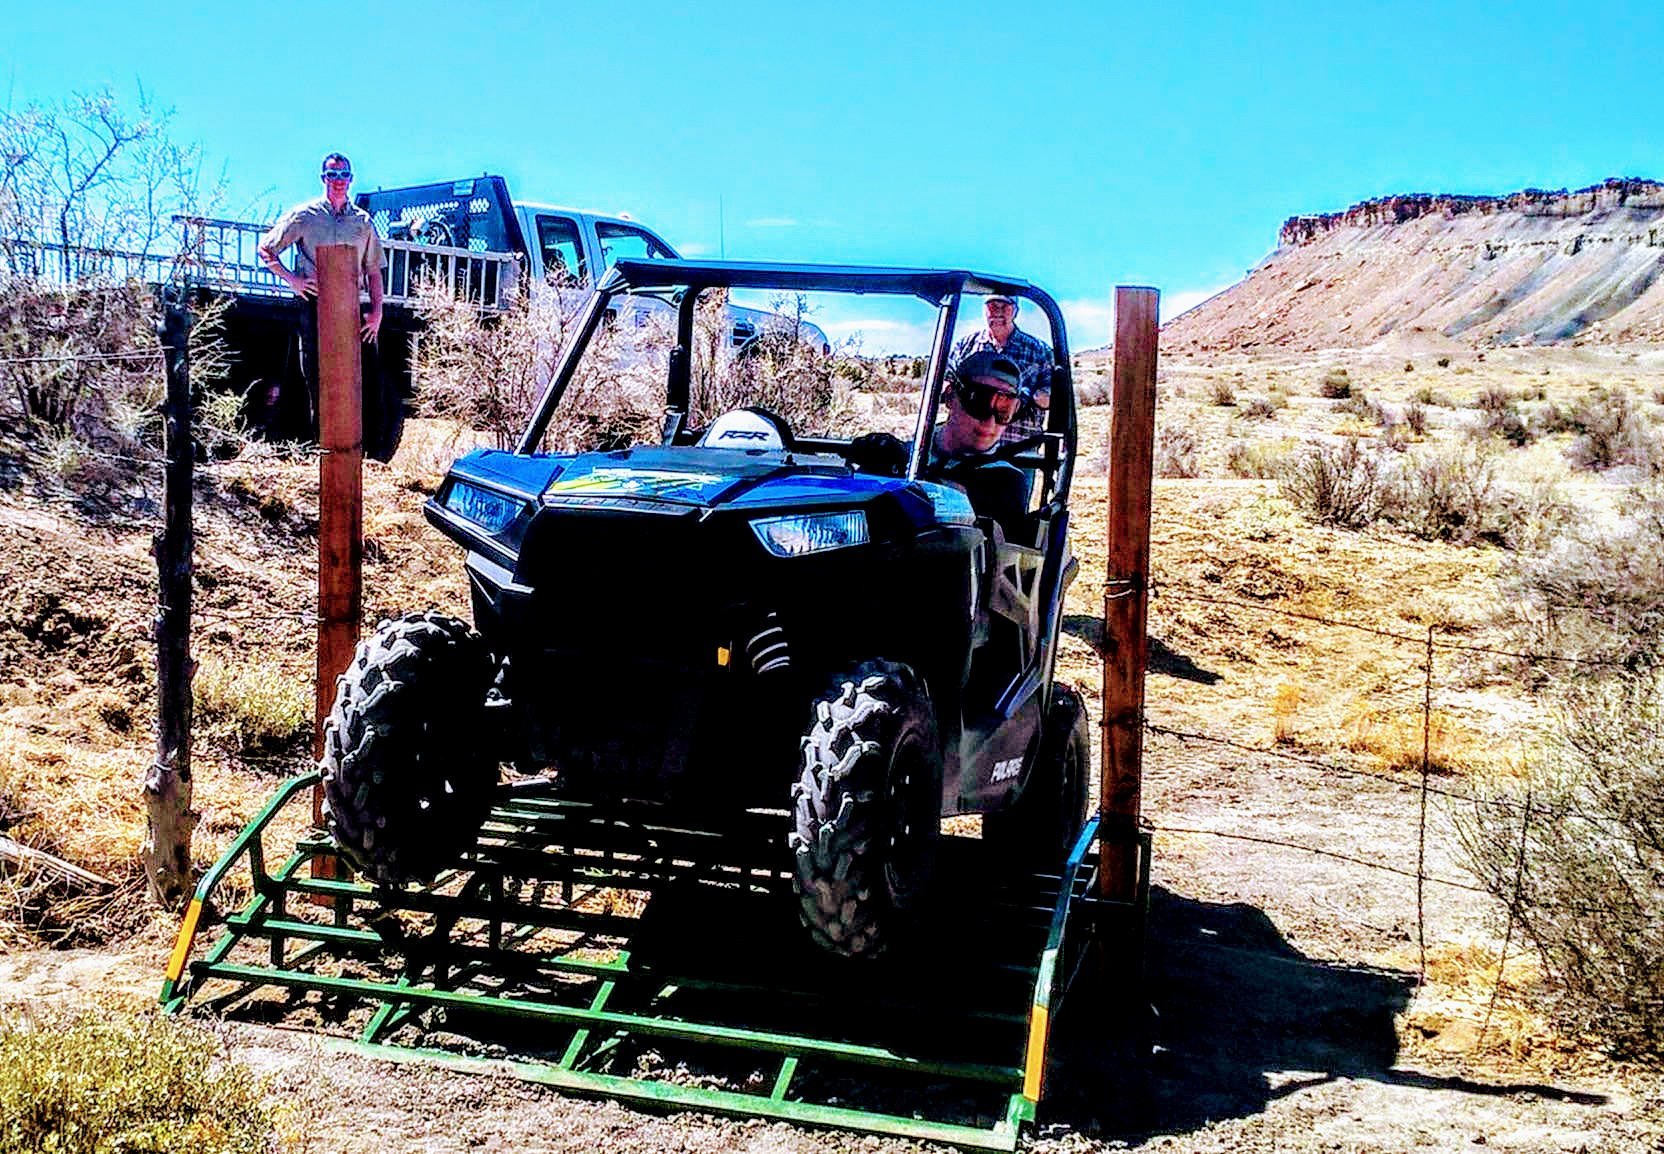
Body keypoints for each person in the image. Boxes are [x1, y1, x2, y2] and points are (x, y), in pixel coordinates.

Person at [256, 152, 389, 450]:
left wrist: (377, 312)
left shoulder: (362, 222)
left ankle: (364, 451)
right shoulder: (305, 215)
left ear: (351, 179)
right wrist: (294, 280)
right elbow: (266, 250)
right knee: (317, 376)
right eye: (332, 175)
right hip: (315, 304)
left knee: (364, 377)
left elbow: (374, 270)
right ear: (323, 179)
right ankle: (323, 446)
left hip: (351, 306)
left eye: (343, 175)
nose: (338, 181)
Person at [928, 351, 1030, 538]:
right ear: (951, 397)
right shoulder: (911, 450)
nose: (990, 422)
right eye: (980, 402)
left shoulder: (1007, 481)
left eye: (1004, 410)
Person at [948, 293, 1054, 446]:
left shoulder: (1039, 350)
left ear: (1016, 311)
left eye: (1005, 307)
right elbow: (946, 385)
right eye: (992, 306)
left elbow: (1053, 394)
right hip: (968, 448)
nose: (998, 312)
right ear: (985, 310)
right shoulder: (966, 346)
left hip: (1018, 449)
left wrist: (1034, 398)